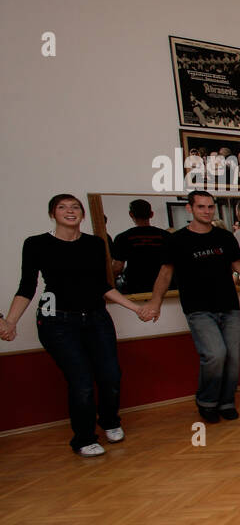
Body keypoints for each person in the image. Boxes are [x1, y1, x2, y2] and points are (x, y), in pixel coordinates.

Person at [0, 194, 153, 456]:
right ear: (52, 214)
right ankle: (83, 438)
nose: (70, 211)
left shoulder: (94, 244)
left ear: (82, 214)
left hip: (95, 317)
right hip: (57, 321)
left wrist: (136, 308)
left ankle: (110, 422)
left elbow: (102, 286)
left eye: (75, 207)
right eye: (62, 207)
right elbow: (27, 286)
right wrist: (10, 321)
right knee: (81, 380)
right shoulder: (37, 244)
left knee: (111, 376)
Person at [145, 190, 240, 423]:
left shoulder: (225, 237)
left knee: (232, 357)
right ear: (190, 209)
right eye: (201, 207)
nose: (207, 211)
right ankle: (207, 401)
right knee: (215, 354)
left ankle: (227, 401)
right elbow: (165, 273)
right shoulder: (177, 240)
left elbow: (239, 266)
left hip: (228, 305)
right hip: (198, 308)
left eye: (210, 207)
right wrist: (155, 301)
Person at [110, 199, 169, 295]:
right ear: (151, 214)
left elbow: (117, 267)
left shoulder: (123, 237)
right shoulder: (166, 236)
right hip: (164, 284)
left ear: (131, 214)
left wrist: (109, 284)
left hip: (136, 286)